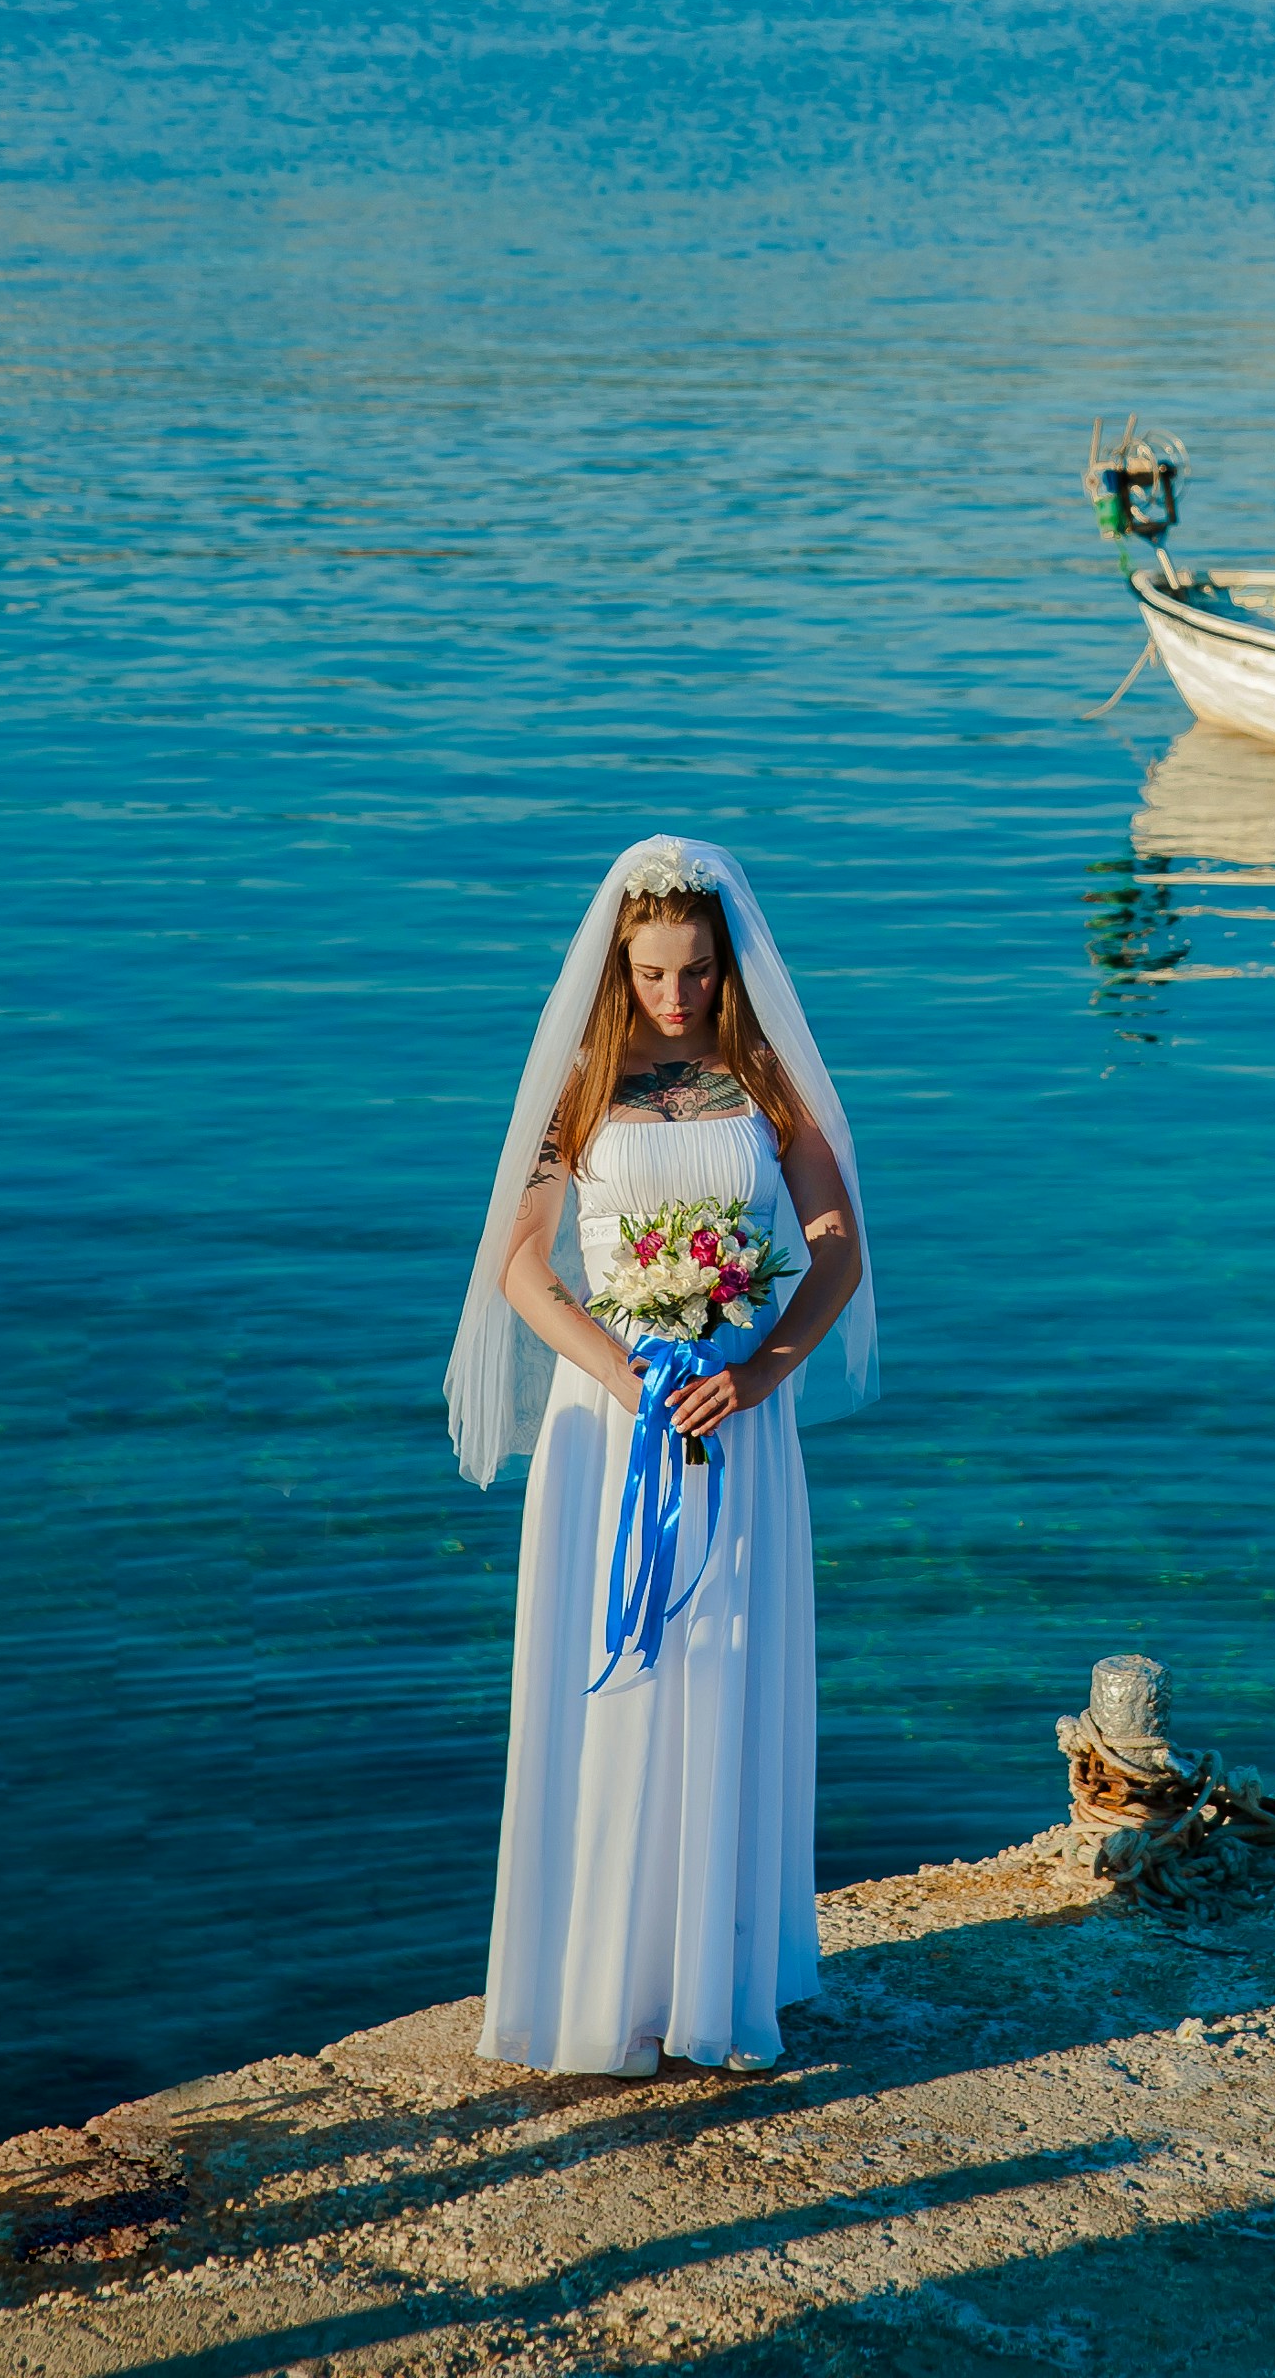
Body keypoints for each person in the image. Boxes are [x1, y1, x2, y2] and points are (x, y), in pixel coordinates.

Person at [445, 834, 873, 2079]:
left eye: (693, 972)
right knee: (620, 1674)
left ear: (726, 966)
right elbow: (520, 1267)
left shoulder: (770, 1085)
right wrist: (626, 1373)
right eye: (650, 974)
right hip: (610, 1419)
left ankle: (714, 1985)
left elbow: (835, 1247)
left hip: (737, 1416)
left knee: (726, 1665)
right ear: (618, 967)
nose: (674, 996)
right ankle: (598, 1986)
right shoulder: (579, 1086)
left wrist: (765, 1367)